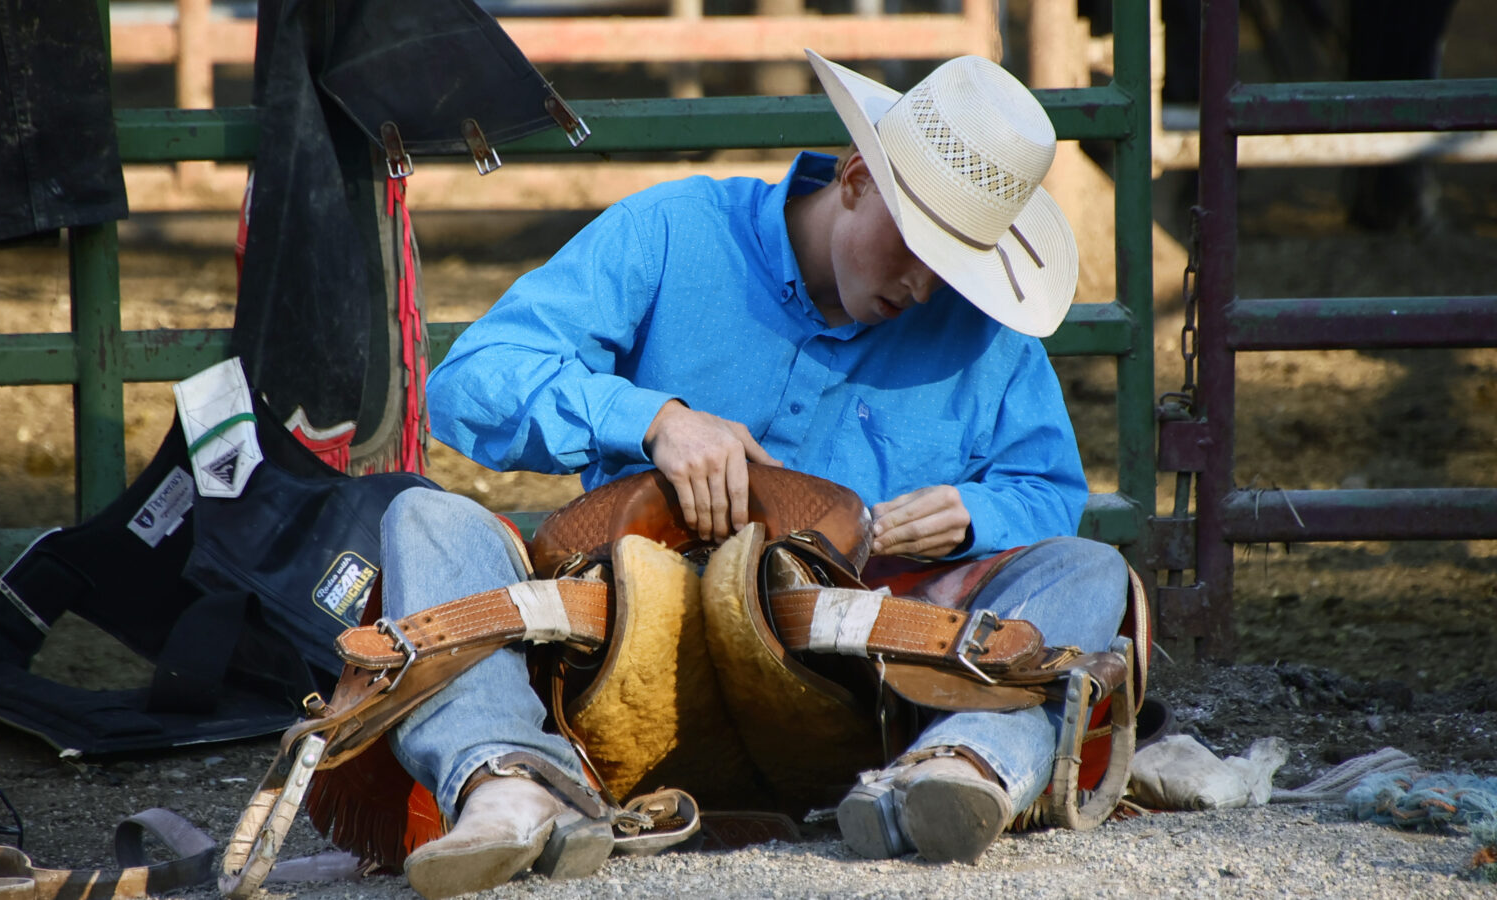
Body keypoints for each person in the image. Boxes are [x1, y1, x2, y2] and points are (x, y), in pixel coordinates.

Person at [376, 49, 1131, 898]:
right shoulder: (672, 232)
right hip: (628, 639)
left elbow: (1051, 495)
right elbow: (468, 384)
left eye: (958, 267)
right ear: (853, 177)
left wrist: (971, 513)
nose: (925, 286)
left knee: (1093, 570)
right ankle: (509, 787)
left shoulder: (985, 335)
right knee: (421, 518)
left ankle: (958, 768)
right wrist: (654, 419)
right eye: (918, 245)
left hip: (862, 678)